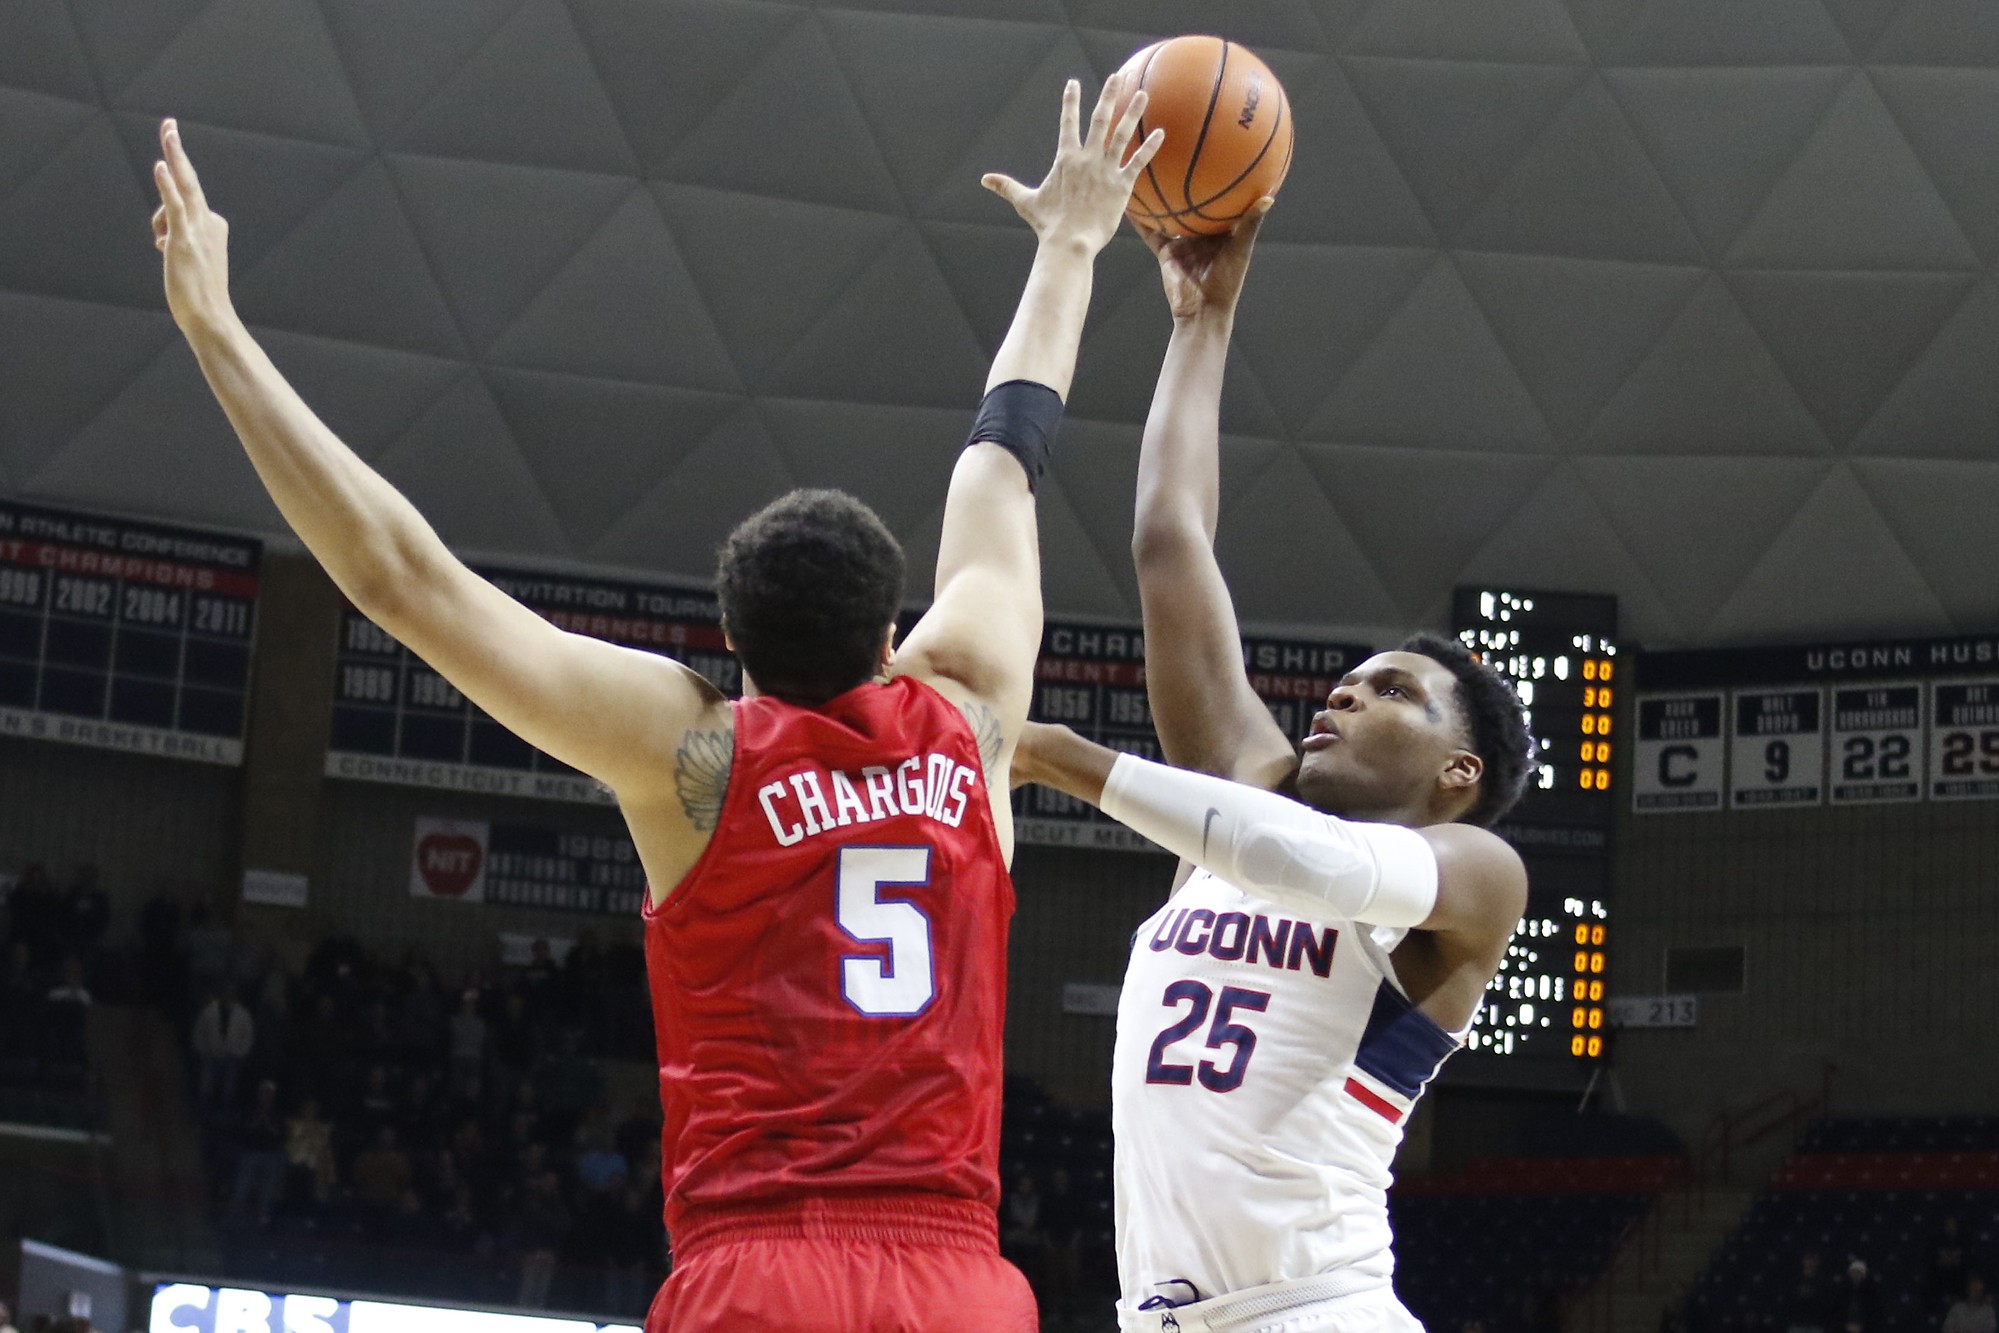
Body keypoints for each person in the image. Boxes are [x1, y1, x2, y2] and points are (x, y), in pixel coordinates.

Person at [148, 67, 1161, 1331]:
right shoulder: (971, 709)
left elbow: (400, 578)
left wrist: (215, 330)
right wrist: (1073, 243)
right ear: (893, 634)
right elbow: (1004, 460)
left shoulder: (692, 754)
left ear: (726, 640)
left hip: (759, 1270)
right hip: (955, 1277)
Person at [1009, 201, 1533, 1332]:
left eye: (1394, 690)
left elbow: (1315, 867)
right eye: (1349, 677)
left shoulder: (1476, 874)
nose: (1343, 691)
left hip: (1319, 1309)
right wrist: (1204, 320)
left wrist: (1057, 754)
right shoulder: (1244, 791)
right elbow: (1168, 537)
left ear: (1458, 767)